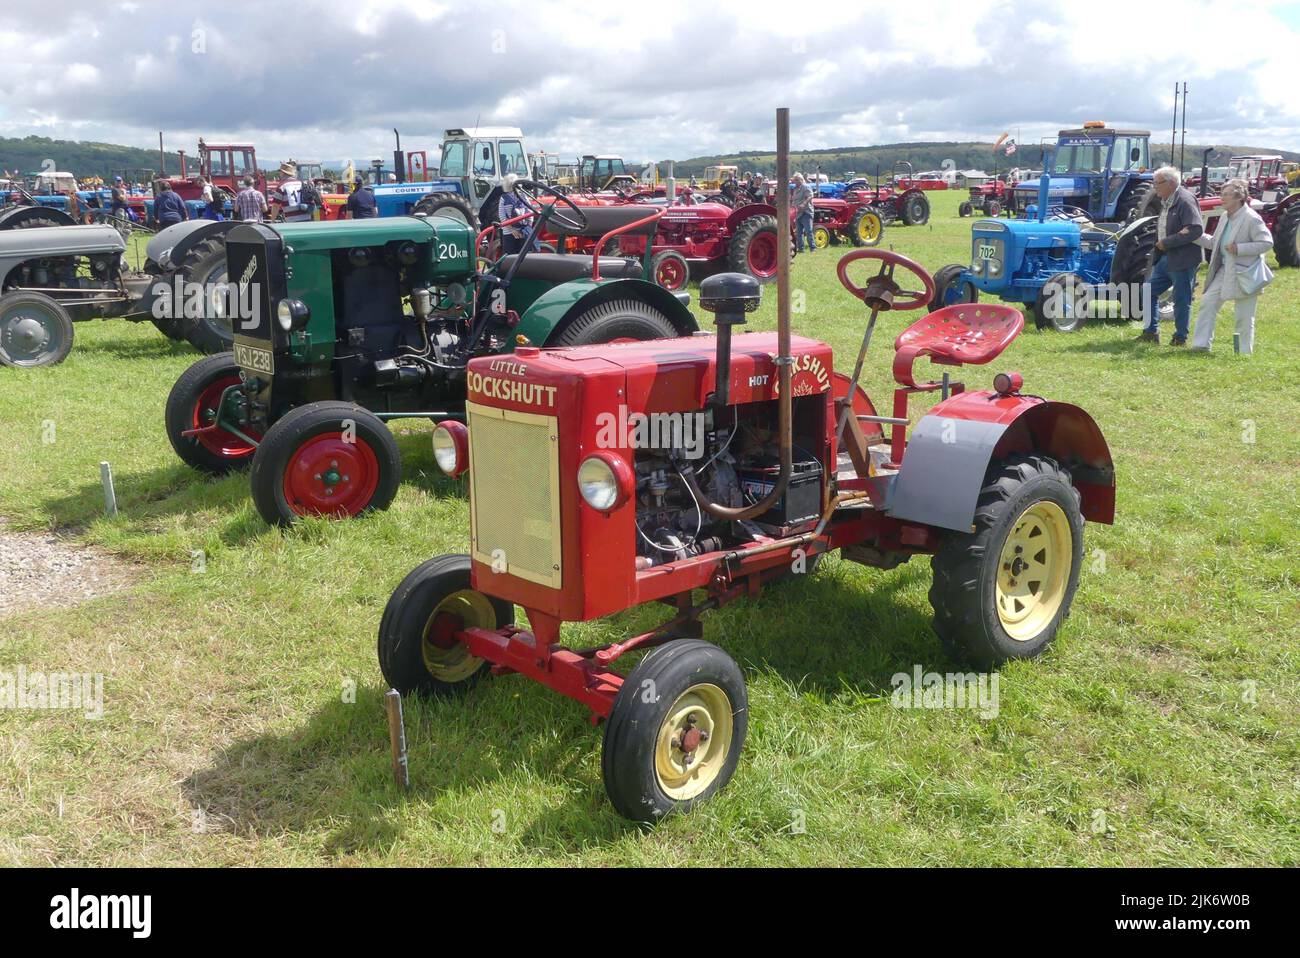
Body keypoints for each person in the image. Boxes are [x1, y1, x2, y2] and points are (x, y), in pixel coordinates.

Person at [1189, 178, 1274, 354]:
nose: (1222, 197)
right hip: (1224, 270)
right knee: (1207, 303)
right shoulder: (1224, 216)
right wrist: (1193, 235)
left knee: (1244, 315)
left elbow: (1266, 243)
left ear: (1239, 197)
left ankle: (1243, 353)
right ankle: (1201, 345)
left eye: (1226, 194)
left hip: (1246, 274)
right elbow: (1215, 243)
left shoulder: (1252, 218)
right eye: (1221, 194)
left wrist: (1239, 249)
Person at [1137, 166, 1202, 346]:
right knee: (1148, 291)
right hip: (1166, 259)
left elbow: (1195, 229)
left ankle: (1180, 337)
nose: (1154, 186)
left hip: (1182, 259)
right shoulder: (1167, 199)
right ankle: (1151, 332)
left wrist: (1167, 242)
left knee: (1181, 300)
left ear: (1171, 183)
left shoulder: (1185, 200)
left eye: (1157, 183)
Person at [496, 173, 536, 255]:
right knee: (524, 256)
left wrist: (512, 230)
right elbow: (530, 212)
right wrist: (527, 228)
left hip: (508, 233)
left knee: (509, 257)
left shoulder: (503, 198)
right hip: (523, 231)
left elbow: (502, 217)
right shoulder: (523, 196)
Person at [791, 172, 815, 253]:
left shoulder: (806, 187)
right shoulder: (795, 189)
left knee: (808, 231)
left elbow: (810, 196)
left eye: (797, 180)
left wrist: (803, 204)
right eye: (795, 181)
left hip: (806, 212)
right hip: (797, 213)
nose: (795, 182)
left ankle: (813, 248)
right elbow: (794, 200)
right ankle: (801, 249)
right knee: (799, 232)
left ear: (801, 180)